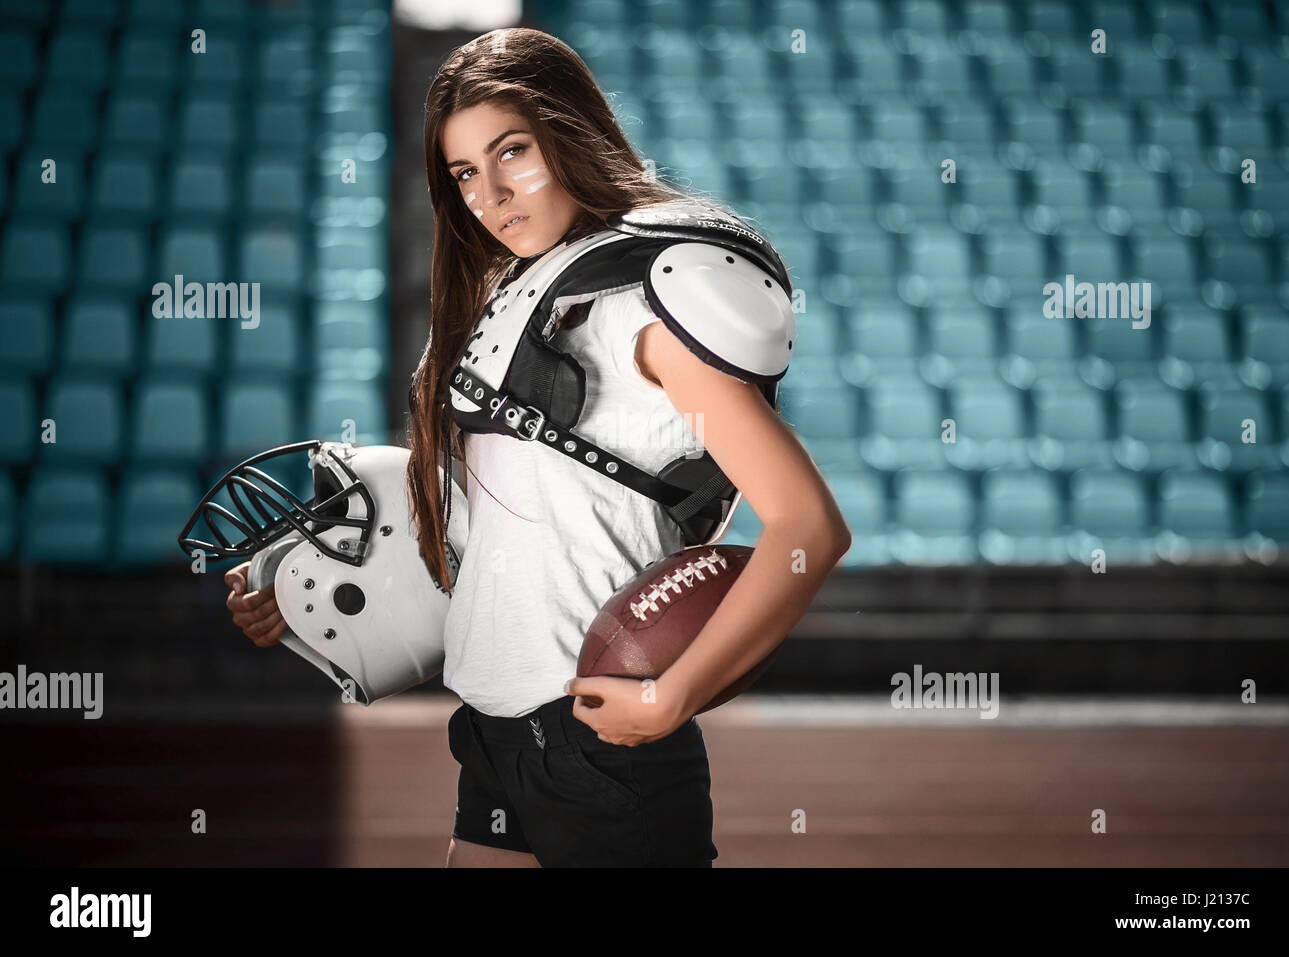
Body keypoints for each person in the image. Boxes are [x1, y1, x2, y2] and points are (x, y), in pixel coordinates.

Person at [225, 27, 851, 867]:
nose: (490, 193)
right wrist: (303, 589)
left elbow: (810, 526)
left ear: (571, 132)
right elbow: (494, 528)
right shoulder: (515, 296)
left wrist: (673, 698)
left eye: (511, 151)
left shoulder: (646, 304)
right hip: (493, 730)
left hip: (599, 741)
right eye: (463, 173)